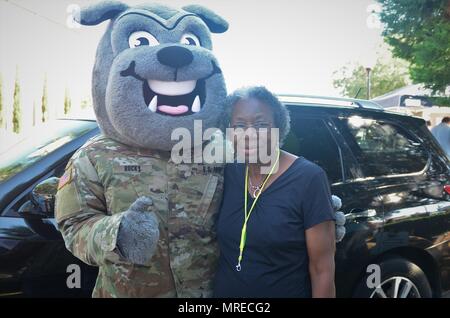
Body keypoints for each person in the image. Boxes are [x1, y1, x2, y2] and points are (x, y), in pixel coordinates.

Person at [214, 87, 340, 298]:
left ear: (279, 129)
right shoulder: (228, 173)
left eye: (261, 125)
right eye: (239, 125)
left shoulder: (308, 179)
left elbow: (322, 270)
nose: (249, 134)